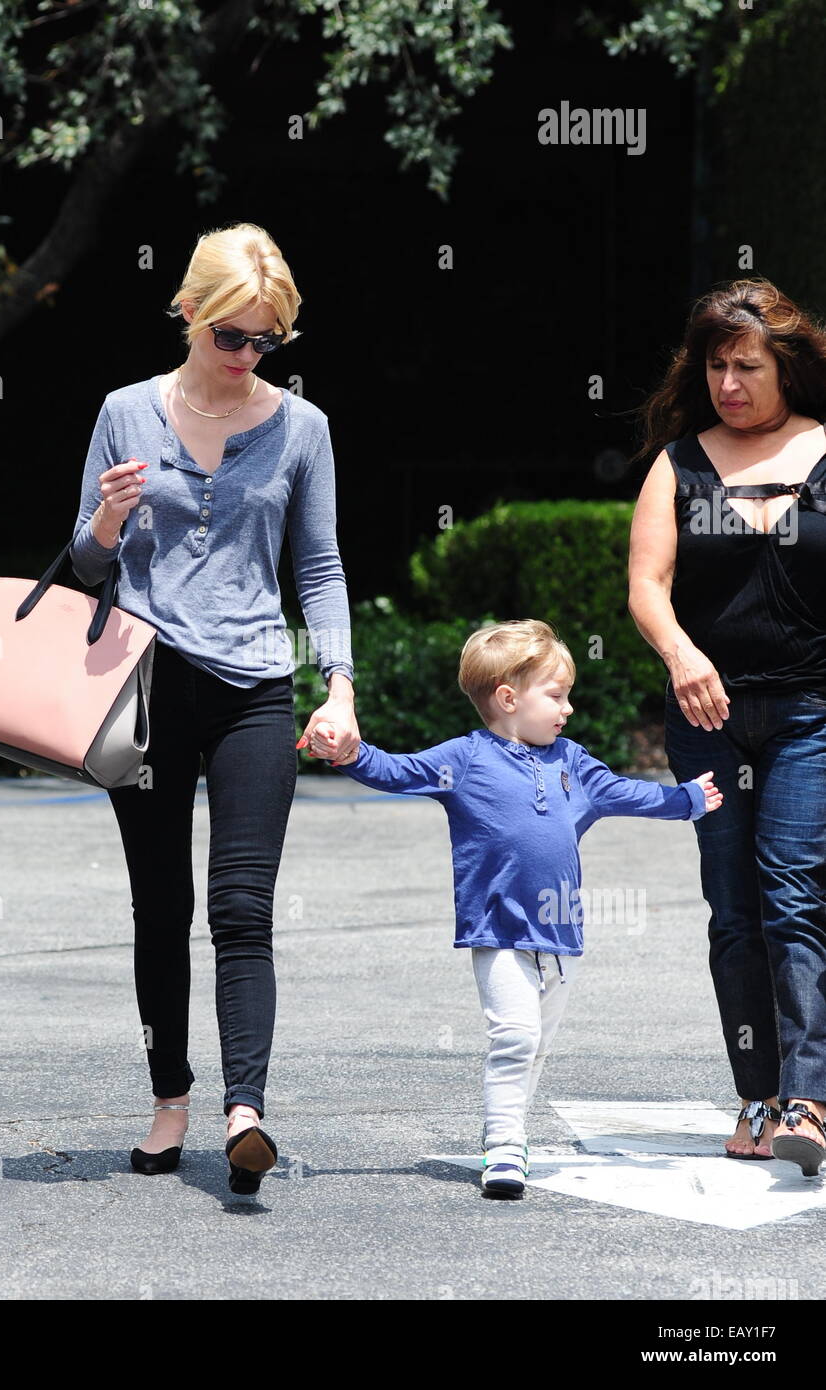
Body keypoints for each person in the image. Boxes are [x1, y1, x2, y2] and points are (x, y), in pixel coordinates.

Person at [68, 223, 360, 1194]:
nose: (246, 358)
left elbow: (314, 564)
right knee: (162, 905)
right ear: (187, 312)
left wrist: (339, 682)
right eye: (230, 337)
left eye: (267, 342)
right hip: (143, 687)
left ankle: (246, 1109)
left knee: (242, 907)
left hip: (251, 686)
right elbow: (85, 562)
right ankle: (168, 1101)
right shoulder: (122, 412)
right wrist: (108, 519)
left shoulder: (301, 428)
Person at [310, 619, 718, 1196]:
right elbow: (396, 770)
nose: (568, 708)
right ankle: (503, 1146)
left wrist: (687, 800)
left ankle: (512, 1130)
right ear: (507, 699)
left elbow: (630, 793)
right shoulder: (465, 759)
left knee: (537, 1047)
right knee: (516, 1038)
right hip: (497, 931)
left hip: (563, 940)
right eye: (556, 695)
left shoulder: (573, 761)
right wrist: (348, 752)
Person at [628, 276, 826, 1174]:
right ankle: (756, 1091)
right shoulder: (680, 463)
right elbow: (646, 589)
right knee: (732, 912)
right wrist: (682, 656)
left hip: (810, 714)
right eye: (716, 365)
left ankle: (808, 1101)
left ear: (787, 364)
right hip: (707, 718)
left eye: (748, 365)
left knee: (796, 899)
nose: (730, 383)